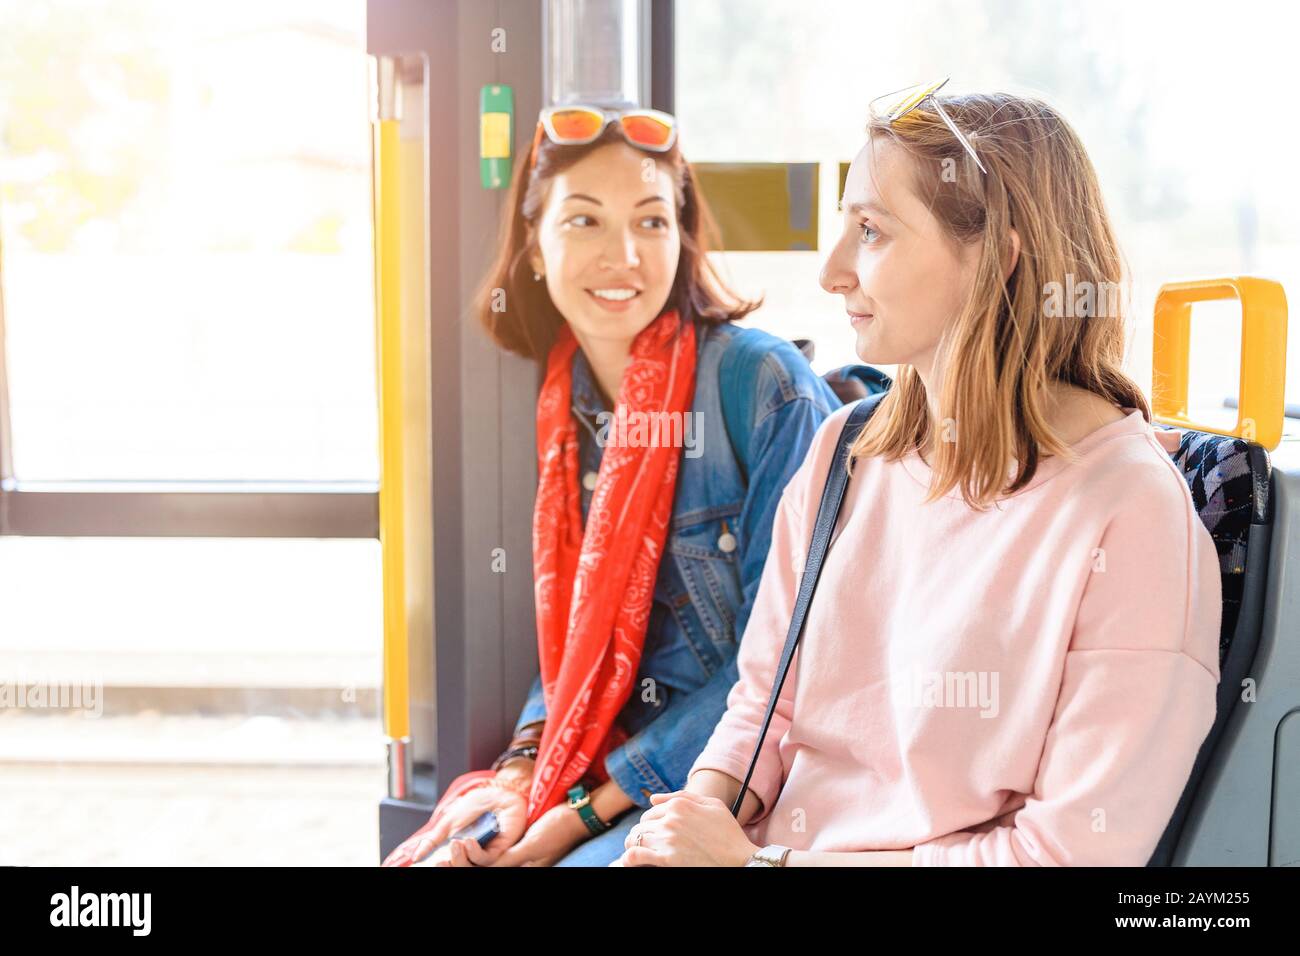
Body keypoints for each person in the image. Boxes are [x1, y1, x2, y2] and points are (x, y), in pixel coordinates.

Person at [613, 89, 1221, 867]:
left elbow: (1065, 856)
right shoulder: (846, 450)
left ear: (998, 260)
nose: (833, 272)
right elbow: (767, 705)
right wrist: (689, 824)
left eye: (870, 231)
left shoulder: (1130, 515)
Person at [381, 104, 844, 866]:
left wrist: (578, 818)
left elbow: (790, 662)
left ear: (682, 237)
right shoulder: (570, 407)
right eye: (585, 222)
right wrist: (522, 770)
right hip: (603, 772)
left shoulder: (762, 387)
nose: (623, 255)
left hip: (741, 783)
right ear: (534, 245)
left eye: (653, 222)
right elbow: (577, 651)